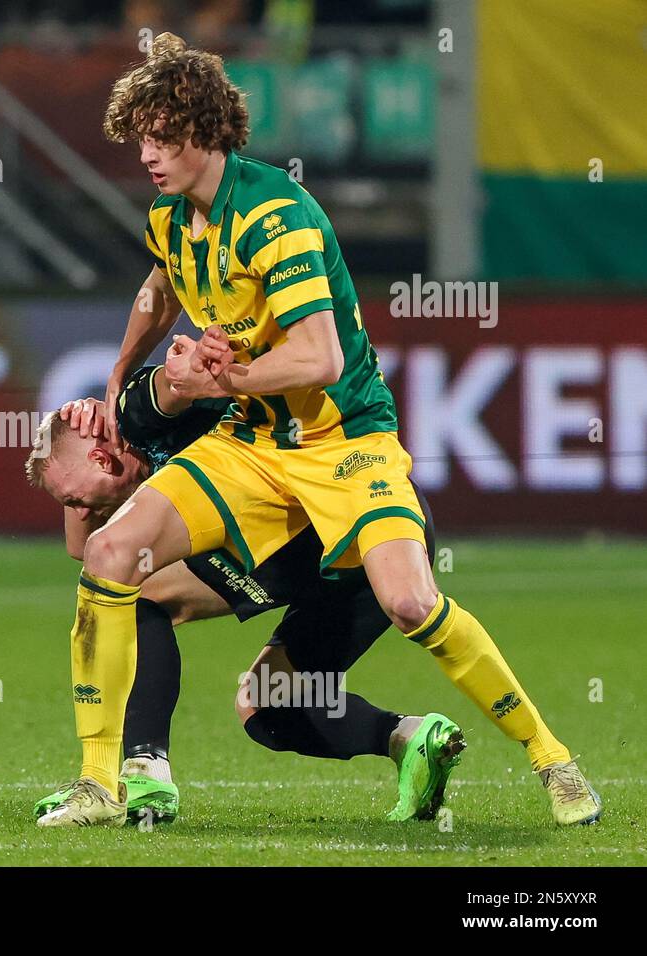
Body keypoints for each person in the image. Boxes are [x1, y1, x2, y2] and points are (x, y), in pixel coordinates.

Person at [42, 32, 600, 828]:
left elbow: (318, 353)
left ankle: (554, 761)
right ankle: (102, 784)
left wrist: (226, 375)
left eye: (161, 137)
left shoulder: (274, 213)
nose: (148, 155)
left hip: (344, 445)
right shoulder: (172, 218)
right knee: (107, 554)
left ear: (203, 131)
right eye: (141, 139)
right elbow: (160, 288)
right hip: (254, 445)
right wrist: (117, 373)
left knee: (410, 603)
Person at [27, 370, 465, 826]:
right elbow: (86, 549)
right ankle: (411, 738)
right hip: (342, 551)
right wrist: (71, 427)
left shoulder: (168, 410)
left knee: (139, 596)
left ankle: (145, 769)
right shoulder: (127, 448)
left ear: (104, 458)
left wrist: (110, 413)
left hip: (358, 527)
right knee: (267, 705)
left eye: (74, 499)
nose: (78, 514)